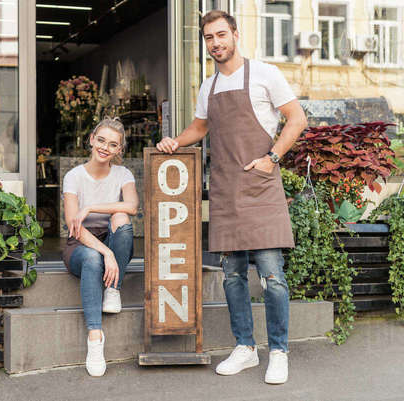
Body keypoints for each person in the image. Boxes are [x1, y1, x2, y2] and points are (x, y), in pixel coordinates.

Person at [156, 10, 308, 385]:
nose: (215, 43)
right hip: (225, 189)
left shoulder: (265, 73)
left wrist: (272, 159)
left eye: (221, 35)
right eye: (209, 38)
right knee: (232, 276)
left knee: (272, 276)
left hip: (261, 186)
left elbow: (297, 118)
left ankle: (278, 351)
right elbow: (200, 127)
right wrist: (175, 141)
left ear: (235, 35)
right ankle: (245, 348)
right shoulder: (208, 87)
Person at [62, 117, 139, 377]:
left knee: (121, 218)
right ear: (92, 139)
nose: (106, 147)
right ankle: (95, 338)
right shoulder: (73, 176)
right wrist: (107, 253)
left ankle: (113, 289)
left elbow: (132, 207)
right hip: (81, 244)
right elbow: (75, 226)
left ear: (119, 150)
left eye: (113, 144)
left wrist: (92, 207)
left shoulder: (123, 174)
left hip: (112, 237)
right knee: (94, 259)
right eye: (102, 140)